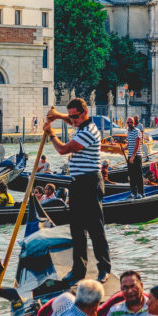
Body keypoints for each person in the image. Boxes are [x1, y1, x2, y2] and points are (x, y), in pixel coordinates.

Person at [45, 98, 110, 284]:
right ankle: (78, 270)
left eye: (75, 117)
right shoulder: (80, 125)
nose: (72, 120)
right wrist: (58, 116)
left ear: (85, 113)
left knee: (95, 229)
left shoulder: (88, 132)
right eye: (71, 116)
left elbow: (63, 149)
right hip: (77, 183)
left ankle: (104, 268)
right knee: (77, 230)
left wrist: (51, 134)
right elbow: (70, 120)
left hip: (90, 182)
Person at [126, 115, 145, 198]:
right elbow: (130, 143)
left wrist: (133, 156)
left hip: (136, 156)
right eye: (128, 122)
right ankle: (133, 192)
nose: (129, 123)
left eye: (131, 122)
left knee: (138, 175)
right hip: (130, 156)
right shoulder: (128, 132)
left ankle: (141, 193)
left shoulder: (137, 131)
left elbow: (137, 144)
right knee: (131, 175)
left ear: (134, 123)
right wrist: (124, 148)